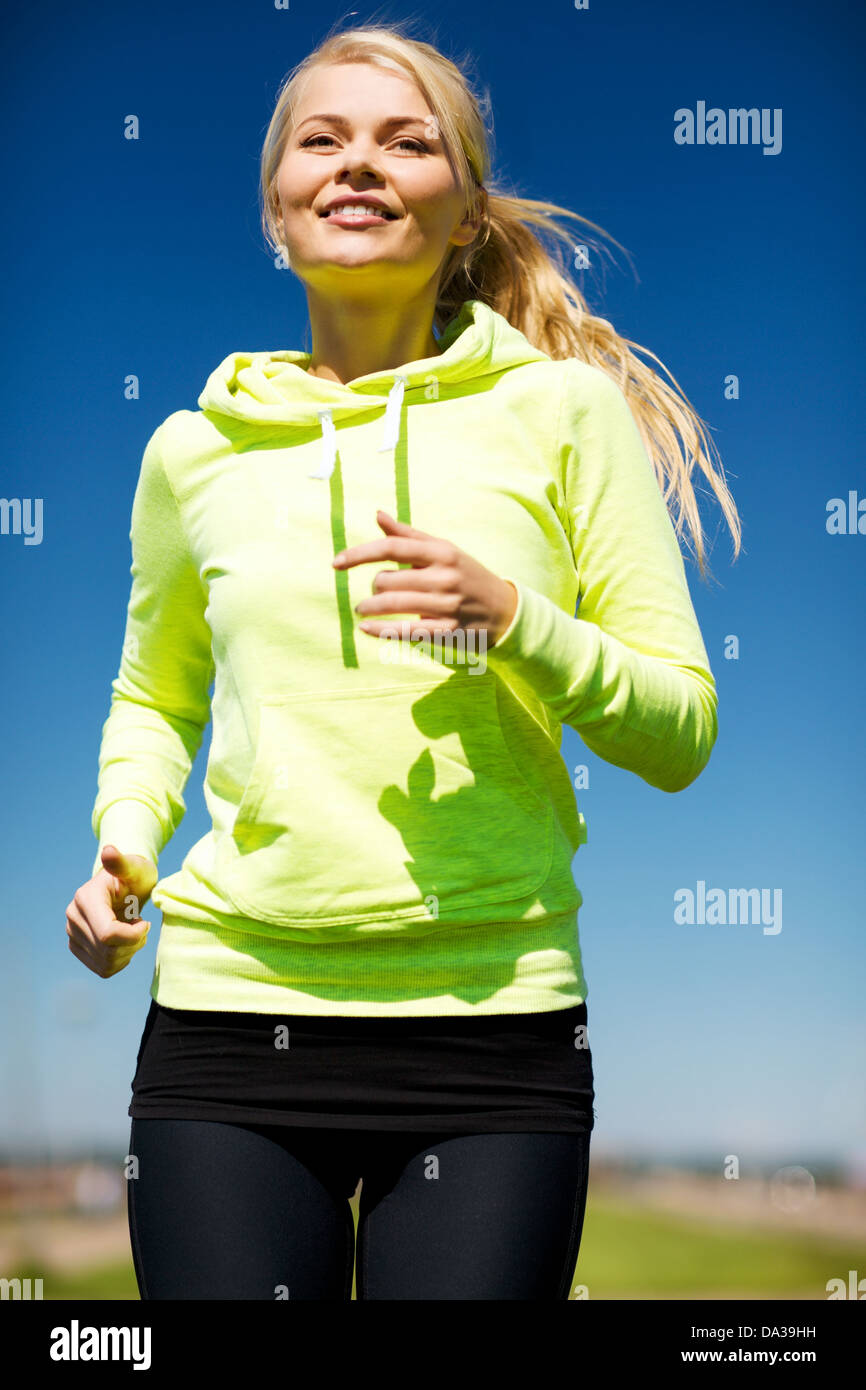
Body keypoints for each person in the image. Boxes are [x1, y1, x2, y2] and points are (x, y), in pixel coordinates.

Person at [65, 21, 741, 1301]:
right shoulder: (189, 452)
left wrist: (515, 624)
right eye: (321, 138)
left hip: (495, 1036)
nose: (358, 163)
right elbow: (154, 695)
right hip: (227, 1024)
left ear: (466, 210)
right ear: (277, 203)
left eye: (405, 139)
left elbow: (679, 731)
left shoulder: (560, 413)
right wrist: (123, 843)